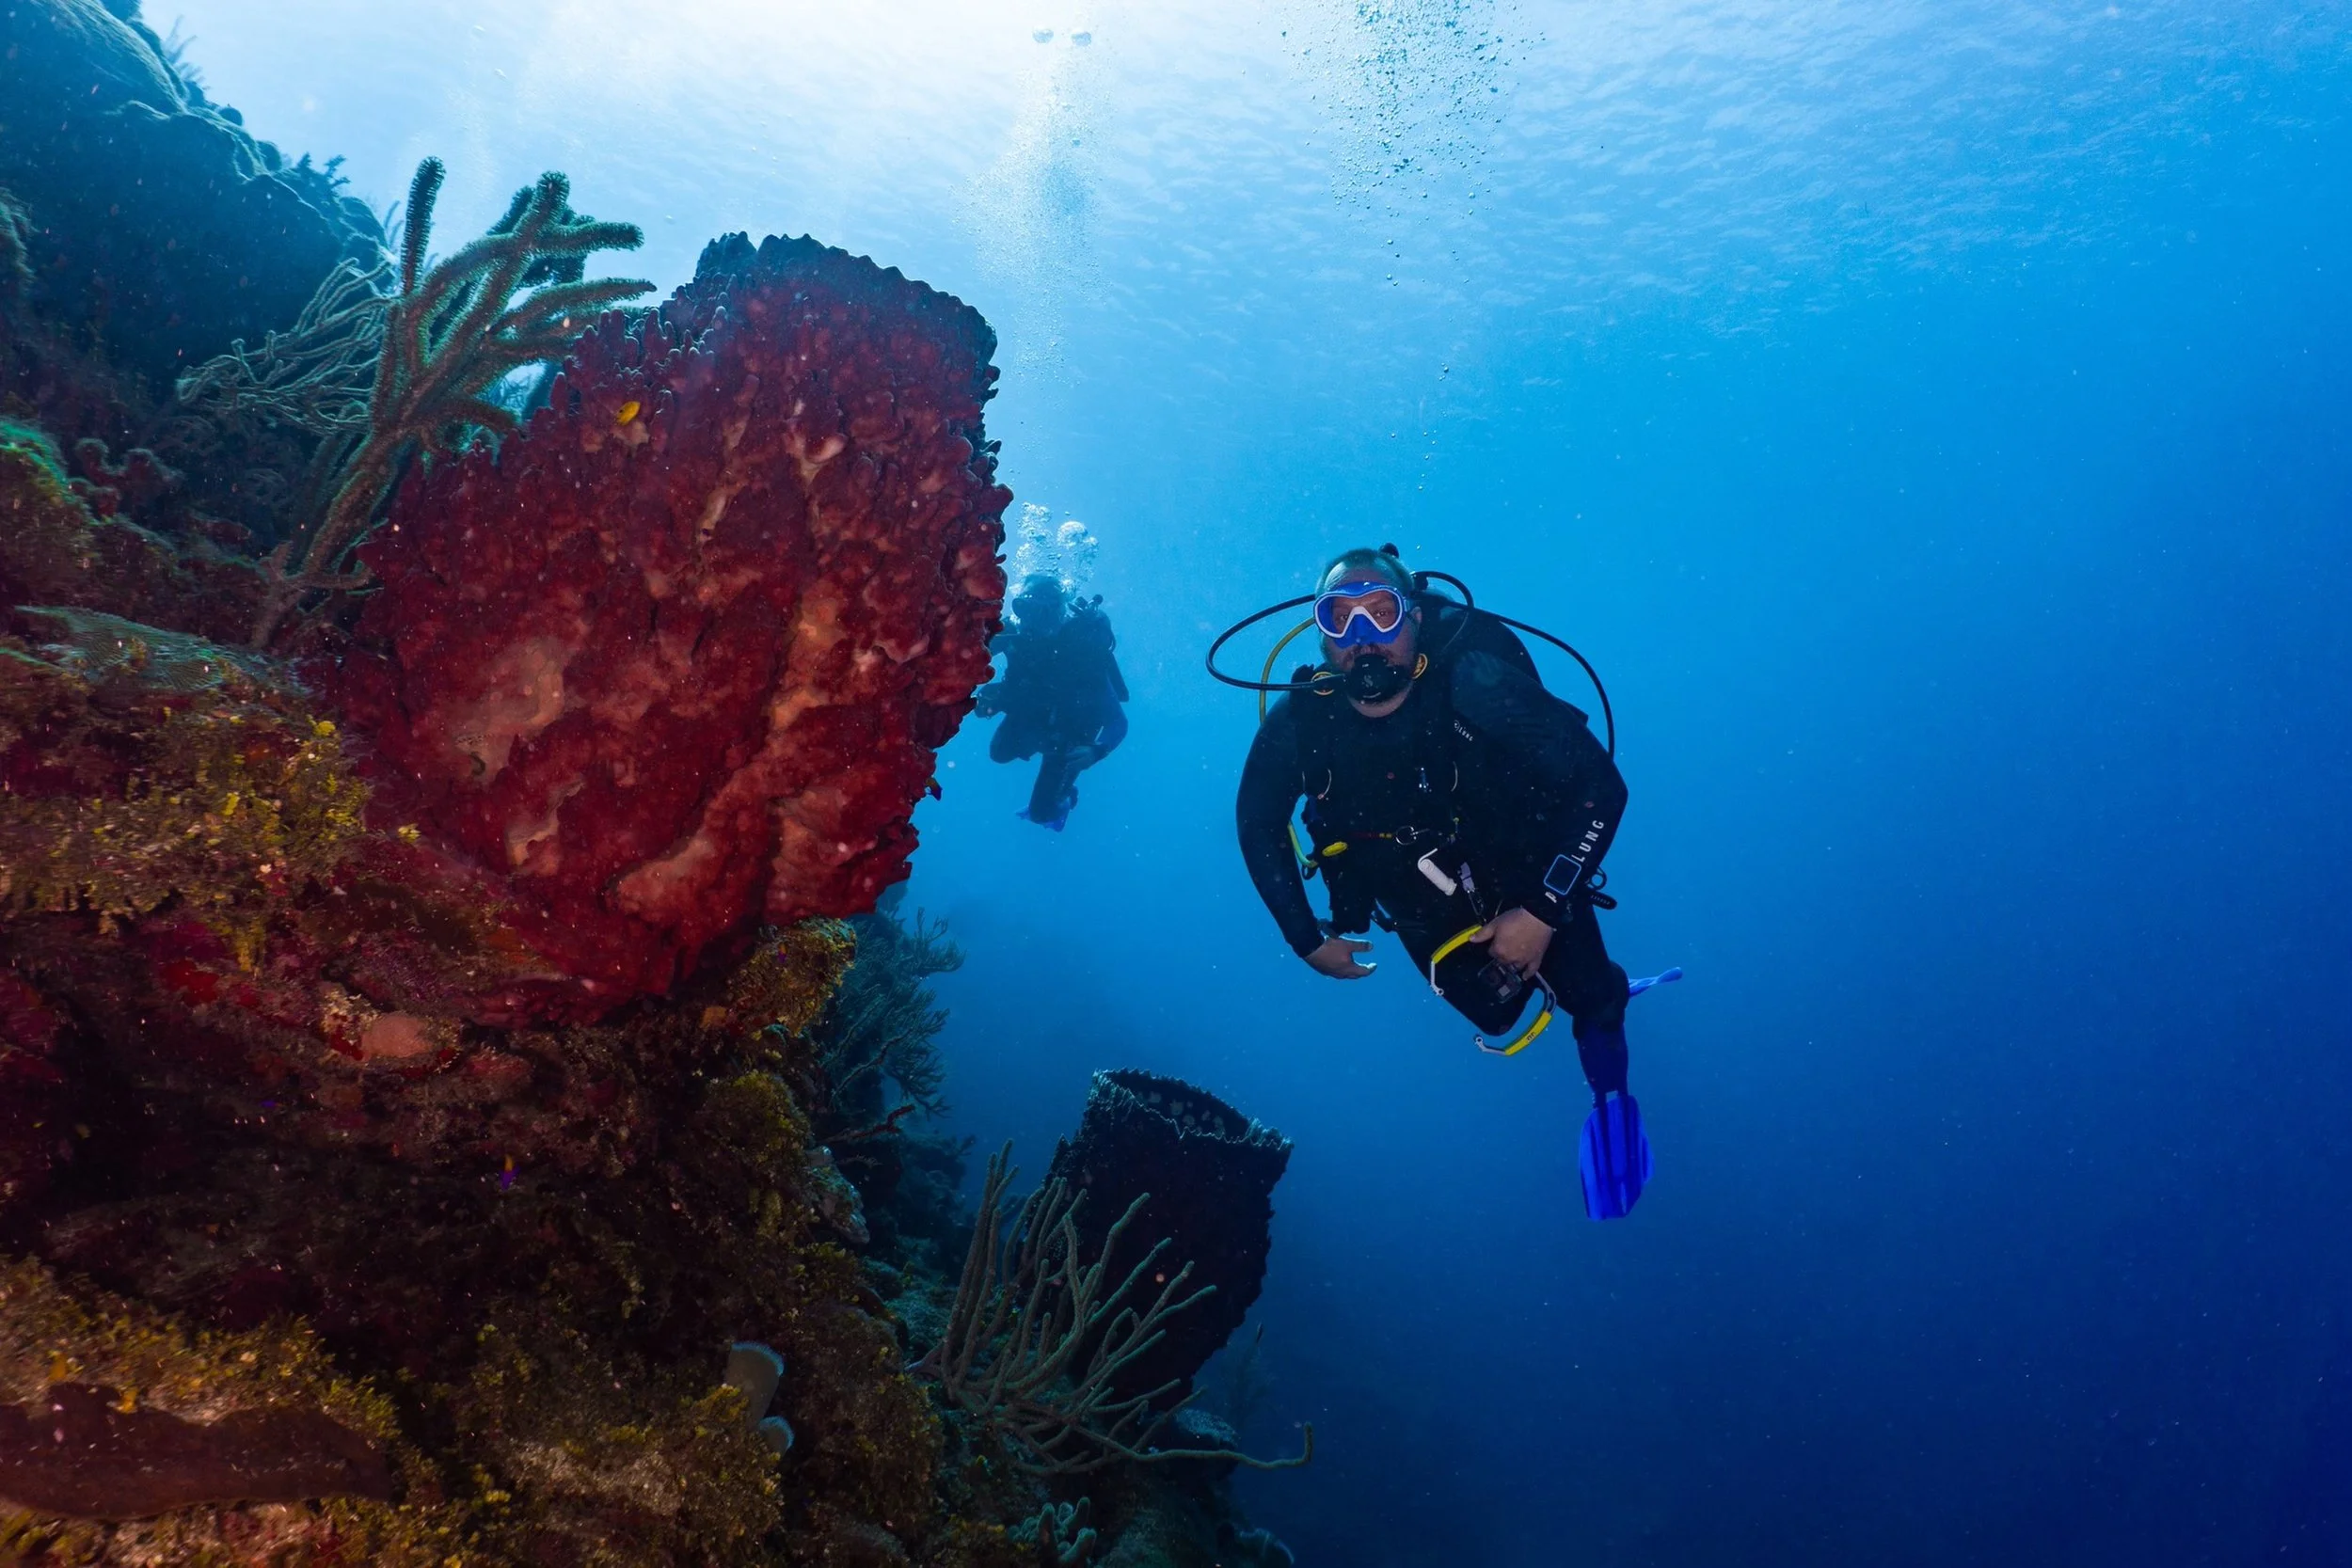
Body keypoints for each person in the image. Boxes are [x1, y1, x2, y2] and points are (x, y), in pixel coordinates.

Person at [1232, 546, 1651, 1217]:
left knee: (1592, 998)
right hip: (1415, 892)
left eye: (1382, 614)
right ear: (1320, 632)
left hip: (1526, 870)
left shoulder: (1479, 685)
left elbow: (1602, 787)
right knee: (1496, 1010)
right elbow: (1257, 822)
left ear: (1417, 619)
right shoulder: (1303, 721)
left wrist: (1542, 911)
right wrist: (1305, 937)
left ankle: (1610, 1091)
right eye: (1341, 620)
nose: (1363, 640)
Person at [975, 574, 1129, 831]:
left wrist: (1096, 751)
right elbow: (971, 651)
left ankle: (1067, 798)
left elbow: (1118, 721)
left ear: (1058, 611)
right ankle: (1041, 745)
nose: (1030, 622)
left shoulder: (1083, 650)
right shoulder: (1014, 633)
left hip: (1069, 736)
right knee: (998, 753)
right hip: (1035, 717)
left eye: (1040, 612)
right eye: (1024, 609)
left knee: (1041, 813)